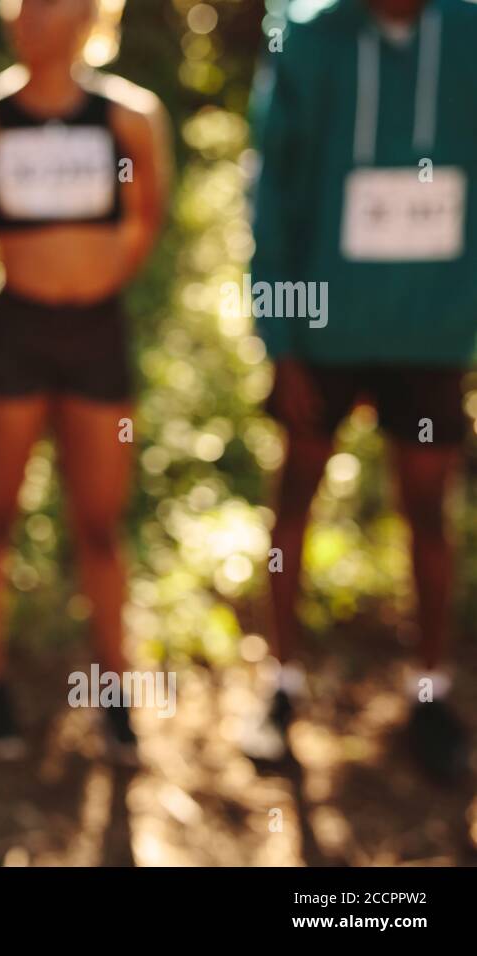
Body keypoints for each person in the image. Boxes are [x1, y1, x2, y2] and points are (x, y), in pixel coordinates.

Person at [0, 0, 171, 761]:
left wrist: (108, 272)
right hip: (14, 336)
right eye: (22, 6)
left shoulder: (129, 118)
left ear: (89, 18)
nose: (30, 18)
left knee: (101, 527)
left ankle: (115, 693)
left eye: (52, 5)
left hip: (97, 336)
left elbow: (150, 210)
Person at [246, 0, 477, 783]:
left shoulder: (468, 33)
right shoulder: (311, 35)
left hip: (433, 333)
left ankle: (431, 690)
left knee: (428, 512)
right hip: (324, 330)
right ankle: (281, 685)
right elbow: (272, 188)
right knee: (295, 497)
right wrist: (280, 339)